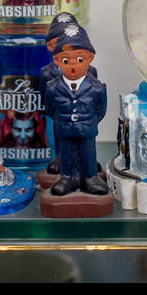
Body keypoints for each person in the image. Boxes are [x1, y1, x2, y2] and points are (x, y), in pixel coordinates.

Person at [43, 21, 108, 196]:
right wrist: (61, 120)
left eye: (79, 59)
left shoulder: (97, 87)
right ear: (57, 60)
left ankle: (90, 178)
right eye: (65, 60)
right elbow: (49, 108)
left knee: (88, 153)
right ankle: (67, 177)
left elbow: (100, 110)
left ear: (90, 58)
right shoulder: (52, 87)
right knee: (67, 154)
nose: (73, 65)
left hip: (86, 129)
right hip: (64, 128)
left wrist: (89, 121)